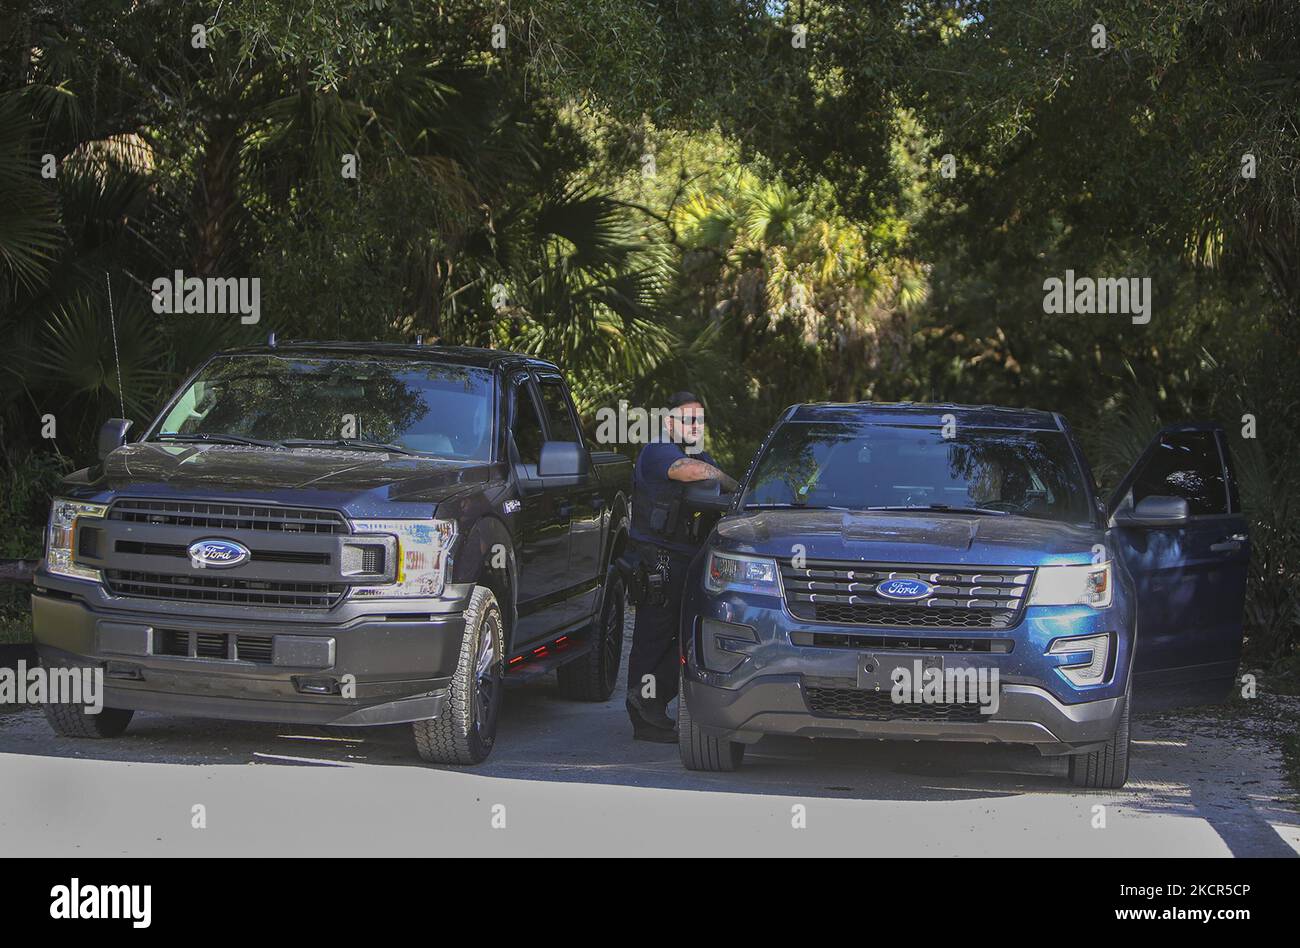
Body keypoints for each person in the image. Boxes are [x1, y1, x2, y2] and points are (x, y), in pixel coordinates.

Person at [625, 392, 738, 742]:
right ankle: (644, 710)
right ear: (670, 422)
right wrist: (732, 485)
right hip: (658, 560)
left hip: (684, 560)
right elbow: (691, 473)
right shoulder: (660, 450)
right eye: (689, 420)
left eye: (700, 421)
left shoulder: (696, 453)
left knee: (683, 638)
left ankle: (653, 705)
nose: (696, 426)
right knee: (654, 637)